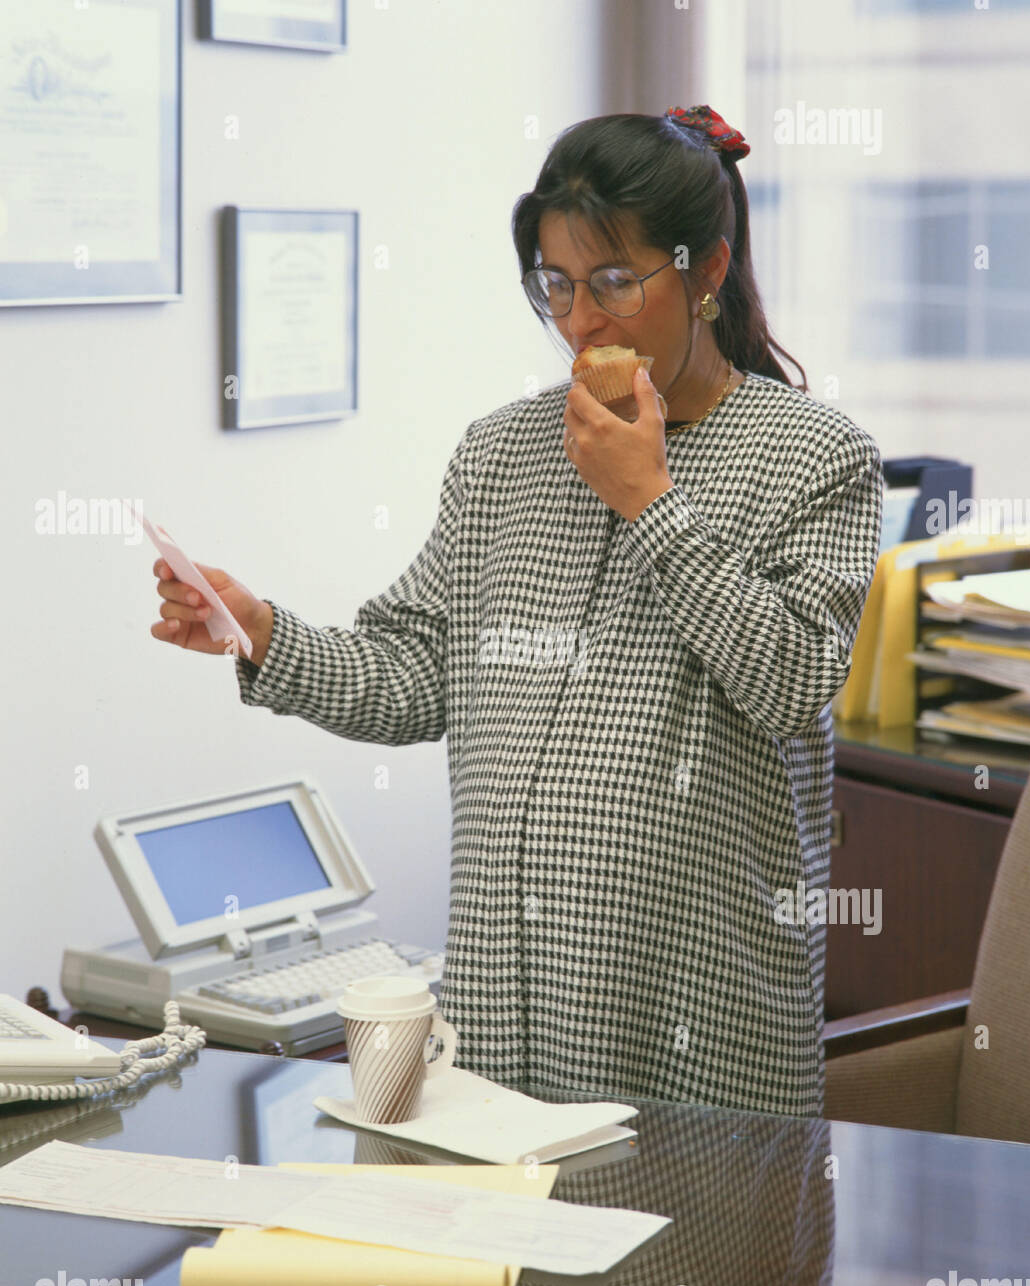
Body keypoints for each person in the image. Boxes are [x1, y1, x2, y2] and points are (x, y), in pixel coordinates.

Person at [151, 106, 883, 1119]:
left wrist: (650, 503)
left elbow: (791, 680)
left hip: (698, 1024)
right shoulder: (502, 452)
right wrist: (266, 633)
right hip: (502, 1026)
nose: (582, 321)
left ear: (706, 272)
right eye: (556, 286)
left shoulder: (814, 455)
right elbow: (415, 672)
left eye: (616, 281)